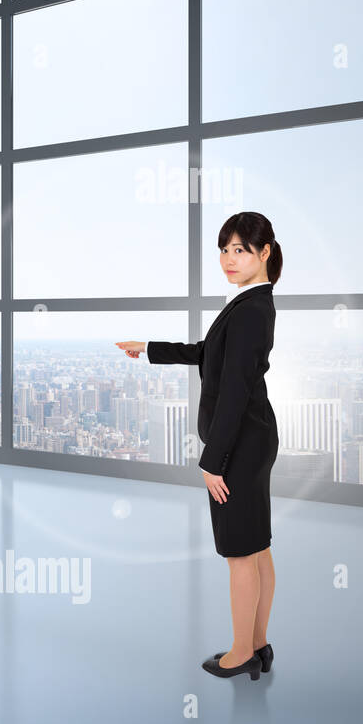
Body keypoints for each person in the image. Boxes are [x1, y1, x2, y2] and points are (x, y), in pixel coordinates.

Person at [116, 212, 282, 681]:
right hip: (253, 438)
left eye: (240, 250)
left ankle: (241, 651)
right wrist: (149, 348)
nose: (229, 259)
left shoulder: (250, 311)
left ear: (264, 252)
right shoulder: (250, 302)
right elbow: (208, 352)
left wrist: (212, 462)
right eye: (225, 250)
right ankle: (260, 644)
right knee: (258, 547)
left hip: (240, 445)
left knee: (239, 554)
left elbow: (233, 391)